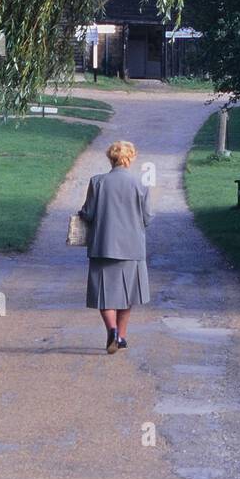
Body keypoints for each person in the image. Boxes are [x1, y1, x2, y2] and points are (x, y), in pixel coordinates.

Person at [79, 140, 153, 353]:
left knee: (104, 292)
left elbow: (89, 213)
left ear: (110, 158)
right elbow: (147, 218)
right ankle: (121, 335)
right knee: (128, 293)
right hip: (132, 247)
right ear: (130, 158)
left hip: (103, 244)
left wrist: (83, 213)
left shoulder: (97, 182)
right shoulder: (140, 185)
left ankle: (111, 330)